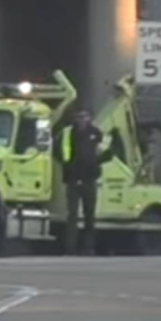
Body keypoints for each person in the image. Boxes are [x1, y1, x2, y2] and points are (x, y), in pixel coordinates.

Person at [58, 108, 112, 255]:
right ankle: (70, 249)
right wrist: (67, 166)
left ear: (90, 118)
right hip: (73, 179)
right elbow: (58, 151)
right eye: (79, 117)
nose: (81, 120)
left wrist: (95, 162)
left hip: (89, 179)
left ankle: (88, 248)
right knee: (72, 215)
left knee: (89, 215)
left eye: (84, 117)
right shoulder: (67, 133)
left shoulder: (96, 134)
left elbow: (108, 153)